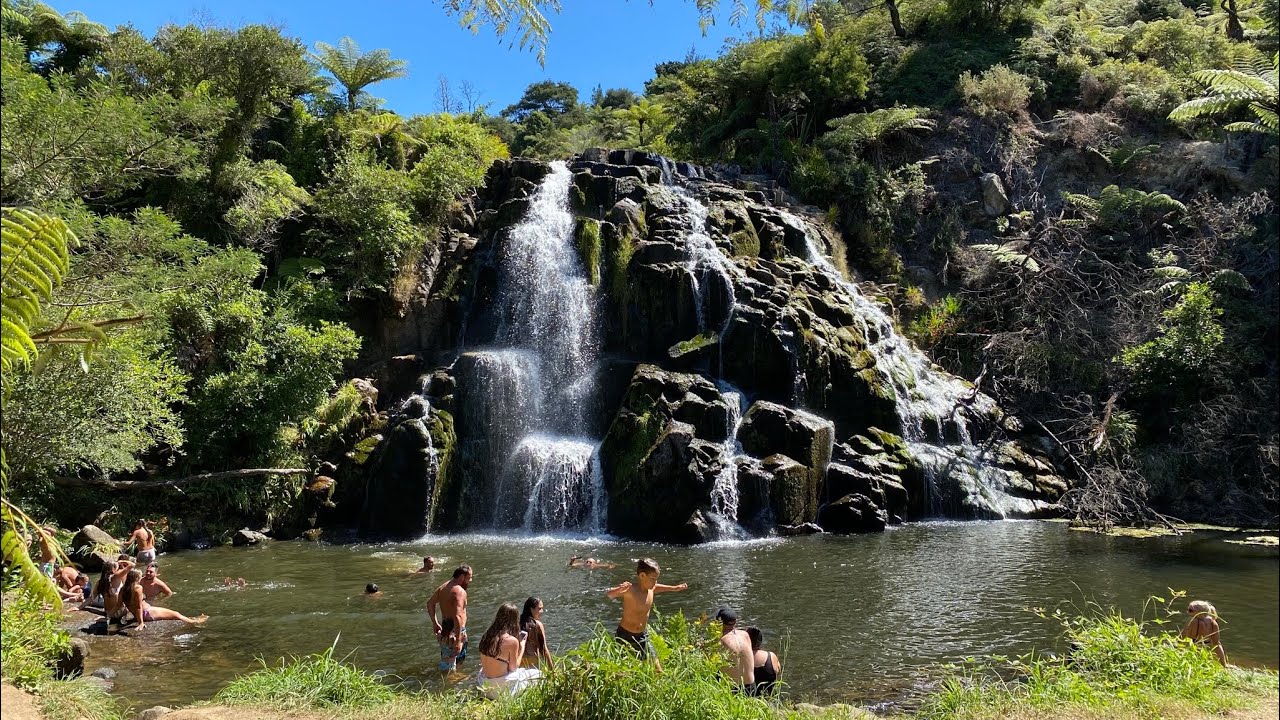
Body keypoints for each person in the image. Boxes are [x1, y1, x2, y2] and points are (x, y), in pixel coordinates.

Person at [605, 558, 688, 671]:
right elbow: (609, 594)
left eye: (656, 579)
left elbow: (657, 588)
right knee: (624, 670)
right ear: (642, 576)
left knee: (657, 670)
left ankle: (656, 686)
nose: (655, 582)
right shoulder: (630, 589)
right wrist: (619, 590)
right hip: (625, 635)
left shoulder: (651, 588)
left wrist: (675, 588)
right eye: (653, 579)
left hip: (643, 637)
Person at [476, 602, 542, 698]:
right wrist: (522, 647)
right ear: (515, 620)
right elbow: (513, 668)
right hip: (500, 689)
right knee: (539, 674)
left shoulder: (486, 636)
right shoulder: (511, 641)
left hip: (484, 686)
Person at [120, 569, 207, 631]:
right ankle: (195, 622)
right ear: (136, 579)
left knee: (172, 615)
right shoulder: (138, 588)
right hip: (147, 613)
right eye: (139, 577)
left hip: (141, 613)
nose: (141, 578)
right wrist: (141, 623)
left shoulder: (123, 588)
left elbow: (120, 604)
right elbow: (138, 606)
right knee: (176, 614)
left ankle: (191, 619)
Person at [427, 565, 472, 667]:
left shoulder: (444, 587)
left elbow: (430, 604)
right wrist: (459, 640)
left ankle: (445, 680)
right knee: (458, 663)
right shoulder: (460, 592)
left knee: (446, 660)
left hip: (445, 631)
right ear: (461, 577)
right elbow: (458, 617)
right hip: (456, 633)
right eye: (469, 578)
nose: (470, 581)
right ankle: (452, 681)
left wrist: (435, 623)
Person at [715, 607, 755, 691]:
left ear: (719, 622)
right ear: (735, 622)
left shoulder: (720, 640)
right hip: (751, 686)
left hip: (733, 689)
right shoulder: (745, 635)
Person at [1180, 600, 1227, 665]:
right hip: (1206, 645)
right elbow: (1217, 643)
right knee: (1218, 645)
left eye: (1190, 610)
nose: (1187, 612)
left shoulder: (1193, 622)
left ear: (1200, 612)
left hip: (1193, 644)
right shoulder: (1213, 622)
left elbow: (1183, 637)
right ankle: (1224, 664)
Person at [520, 596, 555, 671]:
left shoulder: (516, 624)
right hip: (533, 668)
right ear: (531, 609)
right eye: (539, 609)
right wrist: (552, 670)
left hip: (519, 667)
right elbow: (544, 649)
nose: (542, 611)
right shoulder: (537, 625)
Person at [746, 626, 781, 696]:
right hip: (769, 697)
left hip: (747, 699)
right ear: (760, 641)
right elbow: (778, 671)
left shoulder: (741, 658)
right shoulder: (771, 656)